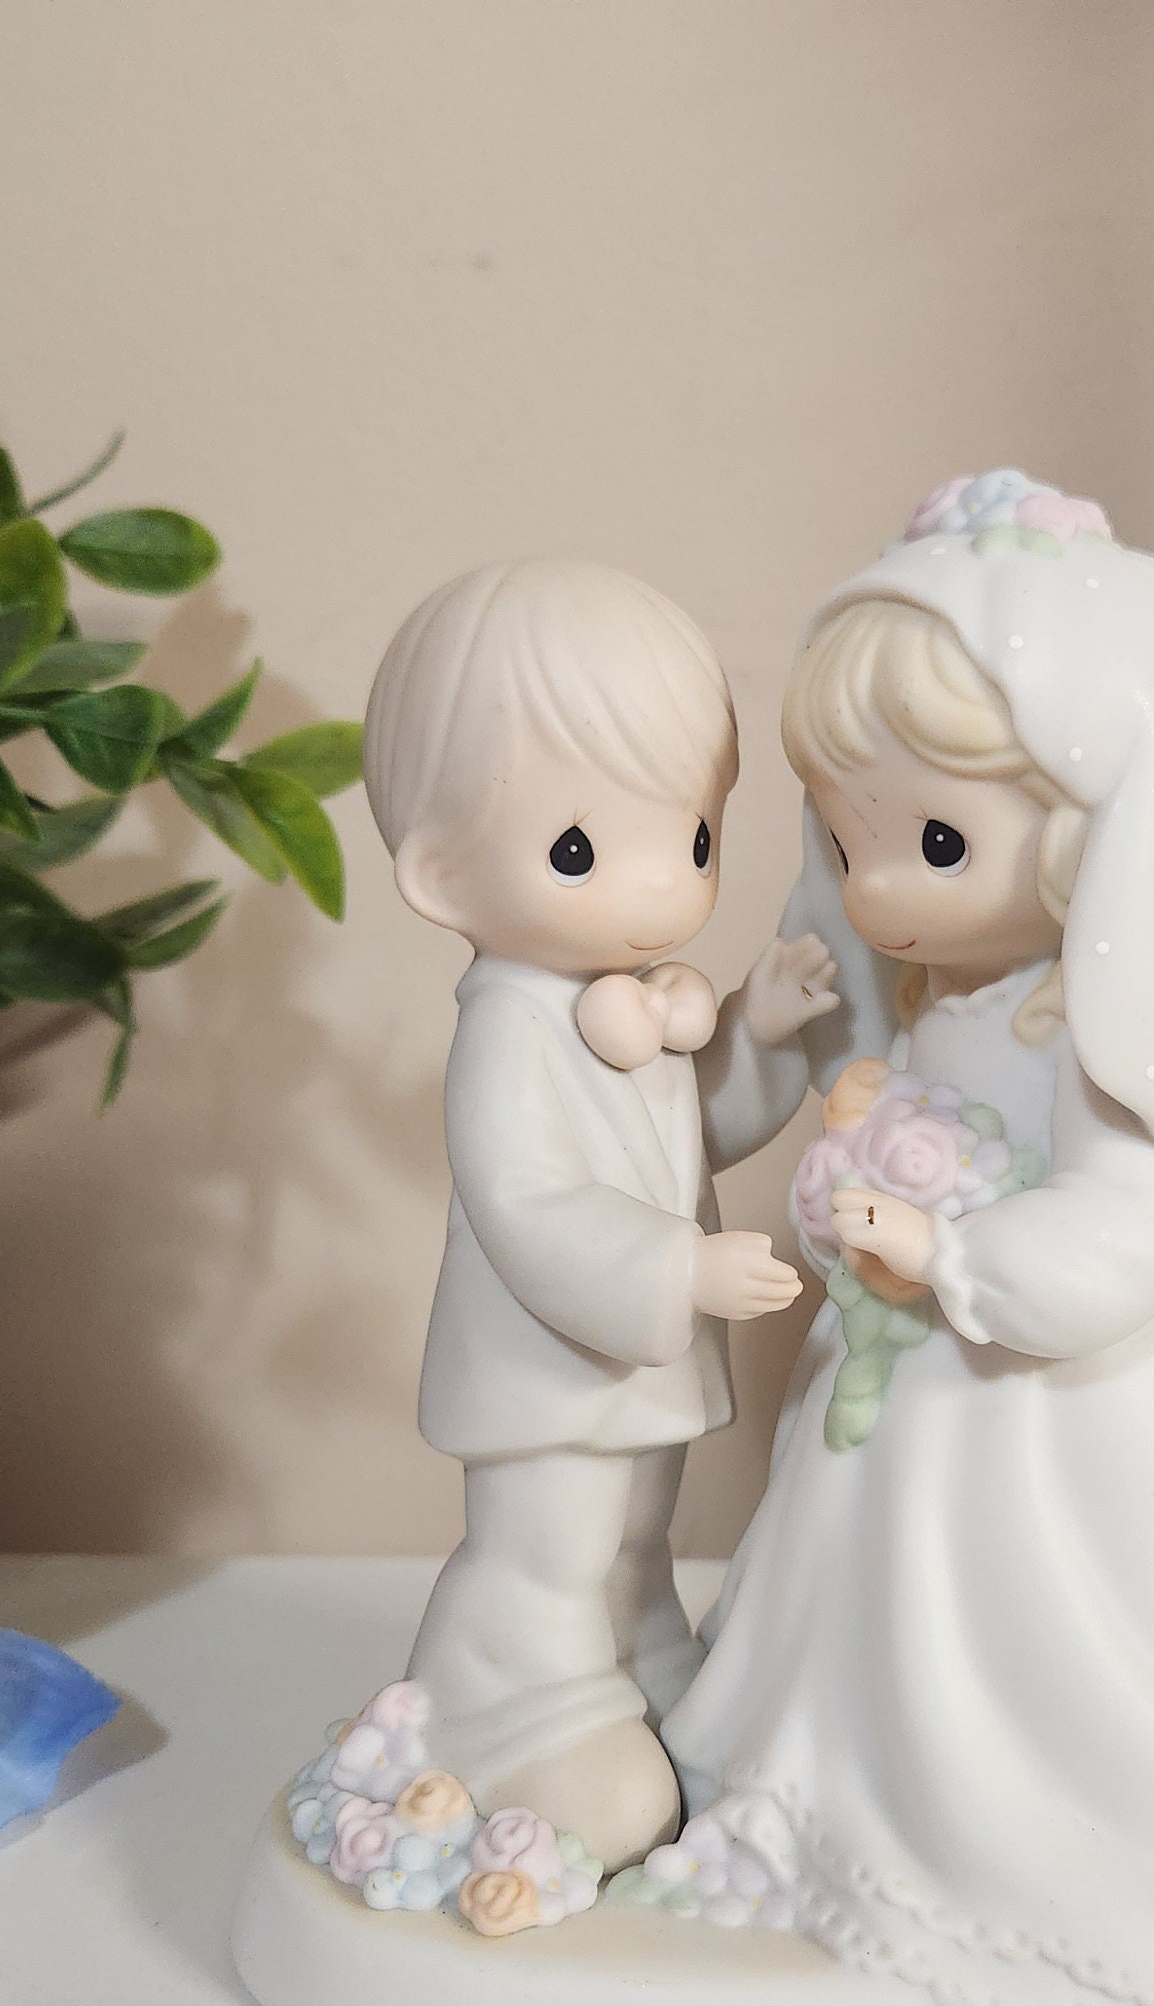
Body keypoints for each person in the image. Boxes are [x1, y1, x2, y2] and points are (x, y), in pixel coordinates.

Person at [652, 473, 1154, 2006]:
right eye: (850, 836)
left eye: (934, 838)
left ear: (1091, 831)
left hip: (1046, 1419)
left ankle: (1025, 1816)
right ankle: (832, 1789)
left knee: (1030, 1665)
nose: (878, 888)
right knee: (859, 1632)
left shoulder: (1093, 1028)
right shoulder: (919, 993)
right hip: (891, 1399)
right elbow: (769, 1109)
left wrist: (946, 1246)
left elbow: (1124, 1231)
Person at [360, 558, 831, 1867]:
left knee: (635, 1532)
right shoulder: (508, 1030)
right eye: (579, 850)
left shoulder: (634, 999)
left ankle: (637, 1656)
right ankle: (505, 1715)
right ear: (442, 875)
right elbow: (526, 1200)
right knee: (548, 1544)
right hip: (547, 1363)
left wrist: (759, 1037)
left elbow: (690, 1128)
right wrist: (676, 1270)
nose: (661, 888)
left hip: (632, 1354)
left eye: (693, 841)